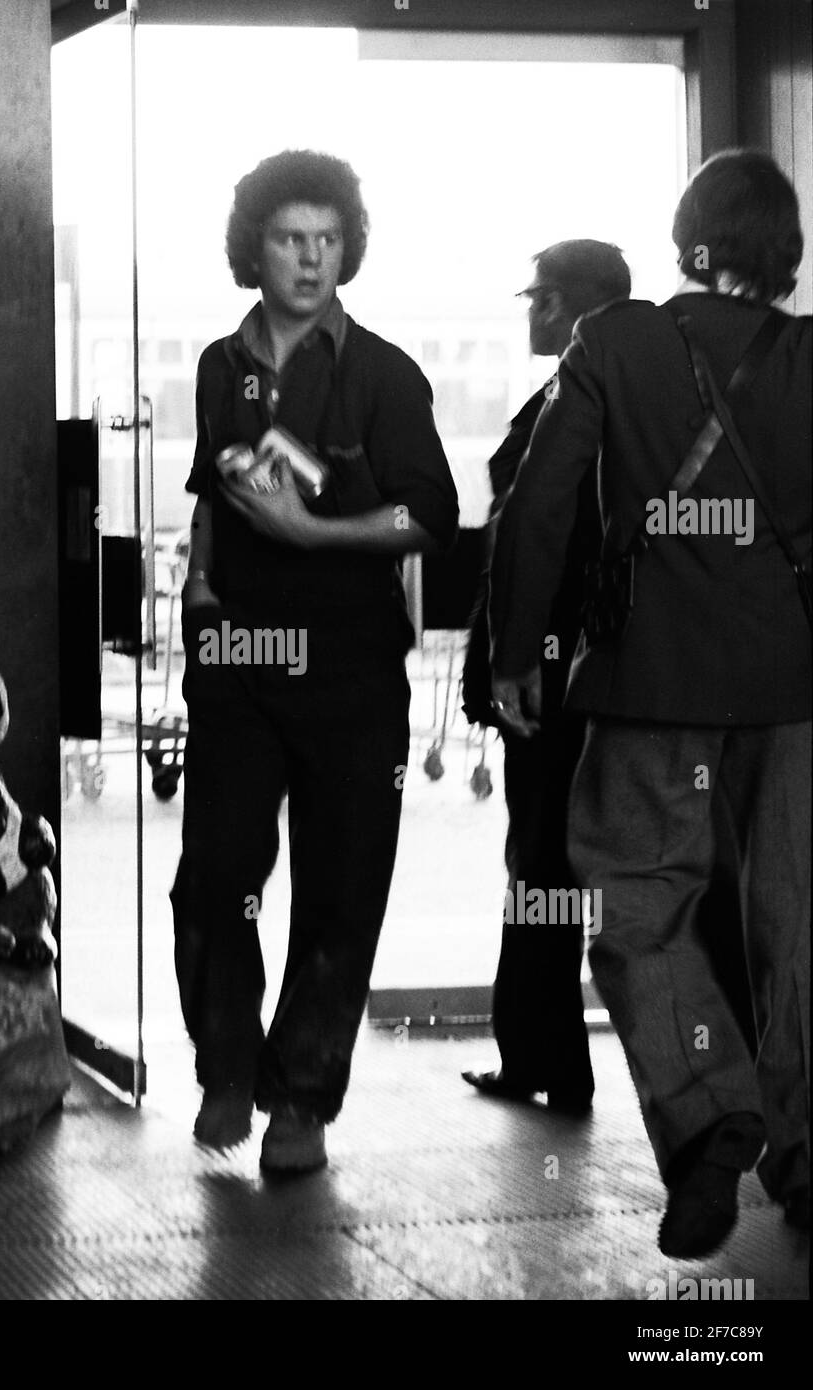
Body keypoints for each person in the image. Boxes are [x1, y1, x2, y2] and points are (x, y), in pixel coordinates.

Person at [489, 149, 811, 1256]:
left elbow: (536, 506)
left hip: (648, 684)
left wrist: (517, 653)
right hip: (793, 689)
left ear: (687, 244)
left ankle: (709, 1115)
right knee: (798, 920)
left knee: (638, 908)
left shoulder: (614, 345)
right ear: (788, 254)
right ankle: (805, 1160)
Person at [171, 149, 458, 1173]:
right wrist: (200, 589)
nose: (307, 257)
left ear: (348, 249)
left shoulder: (384, 372)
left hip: (349, 666)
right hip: (237, 658)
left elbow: (430, 515)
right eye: (289, 238)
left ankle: (300, 1102)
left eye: (325, 240)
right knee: (213, 876)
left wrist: (310, 535)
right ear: (255, 247)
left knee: (340, 890)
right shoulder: (218, 362)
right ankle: (227, 1070)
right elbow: (214, 487)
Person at [461, 241, 631, 1116]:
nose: (528, 313)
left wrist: (512, 664)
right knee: (554, 868)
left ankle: (545, 1058)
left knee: (541, 870)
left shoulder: (572, 400)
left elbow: (532, 543)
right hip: (592, 673)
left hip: (555, 679)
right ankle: (543, 1053)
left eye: (538, 299)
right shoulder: (633, 399)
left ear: (565, 306)